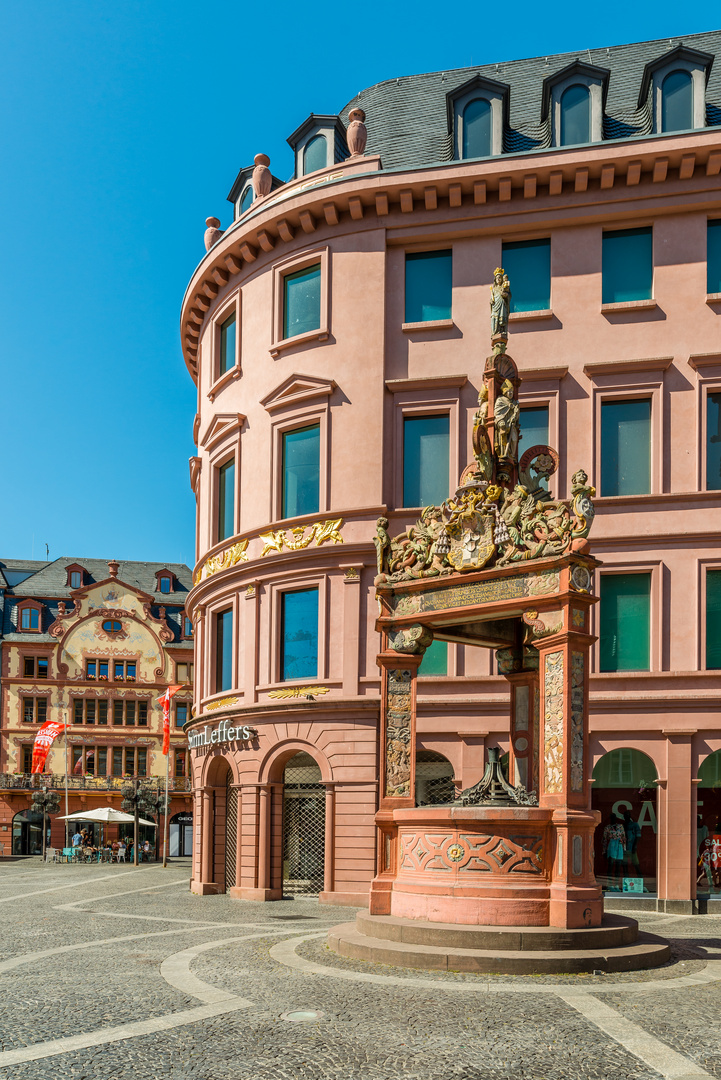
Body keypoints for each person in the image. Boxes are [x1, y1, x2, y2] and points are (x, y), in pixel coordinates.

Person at [602, 813, 626, 891]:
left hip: (619, 845)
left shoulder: (620, 826)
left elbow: (623, 837)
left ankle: (616, 884)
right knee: (611, 865)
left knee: (618, 866)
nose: (613, 819)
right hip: (612, 844)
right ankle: (609, 884)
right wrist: (604, 851)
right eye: (612, 818)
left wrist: (624, 849)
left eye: (614, 818)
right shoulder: (607, 827)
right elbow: (604, 839)